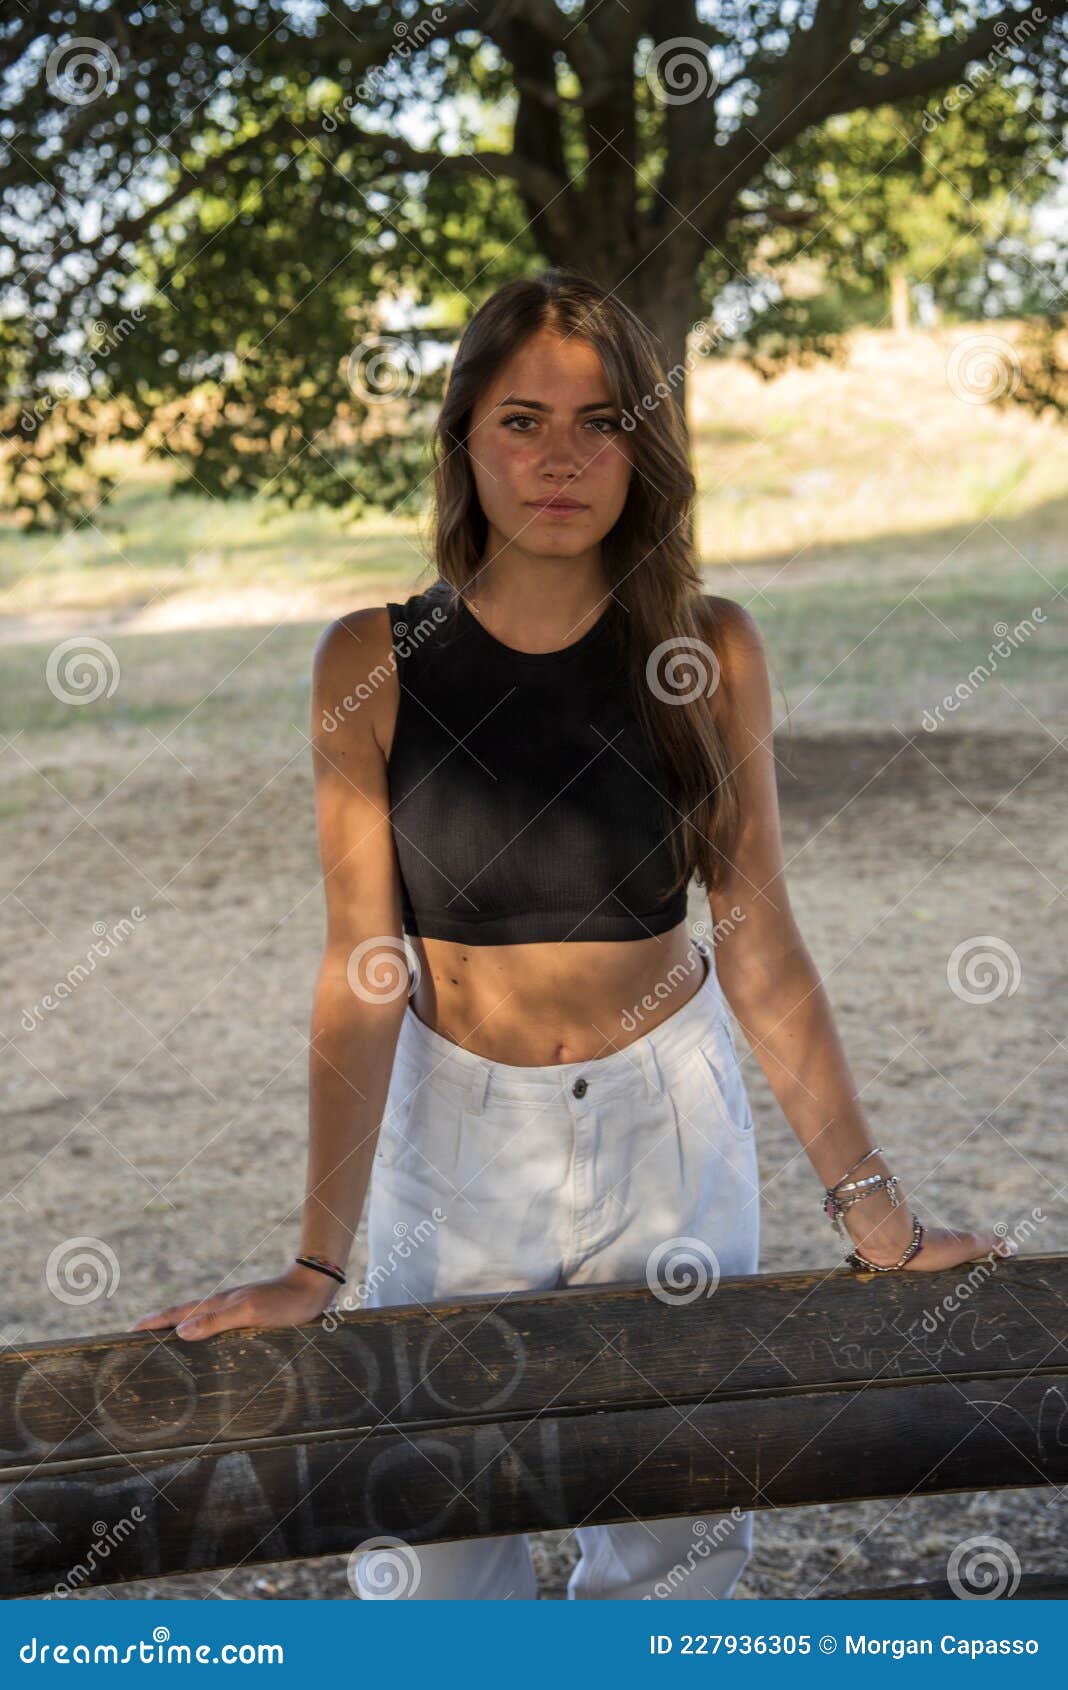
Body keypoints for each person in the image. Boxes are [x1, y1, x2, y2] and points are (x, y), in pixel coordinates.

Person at [132, 267, 1009, 1599]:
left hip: (671, 1113)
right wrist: (319, 1261)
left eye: (601, 421)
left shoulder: (707, 652)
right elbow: (363, 969)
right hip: (456, 1124)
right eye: (520, 419)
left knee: (682, 1527)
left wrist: (874, 1212)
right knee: (433, 1537)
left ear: (643, 445)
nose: (559, 456)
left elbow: (758, 939)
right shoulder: (367, 663)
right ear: (464, 440)